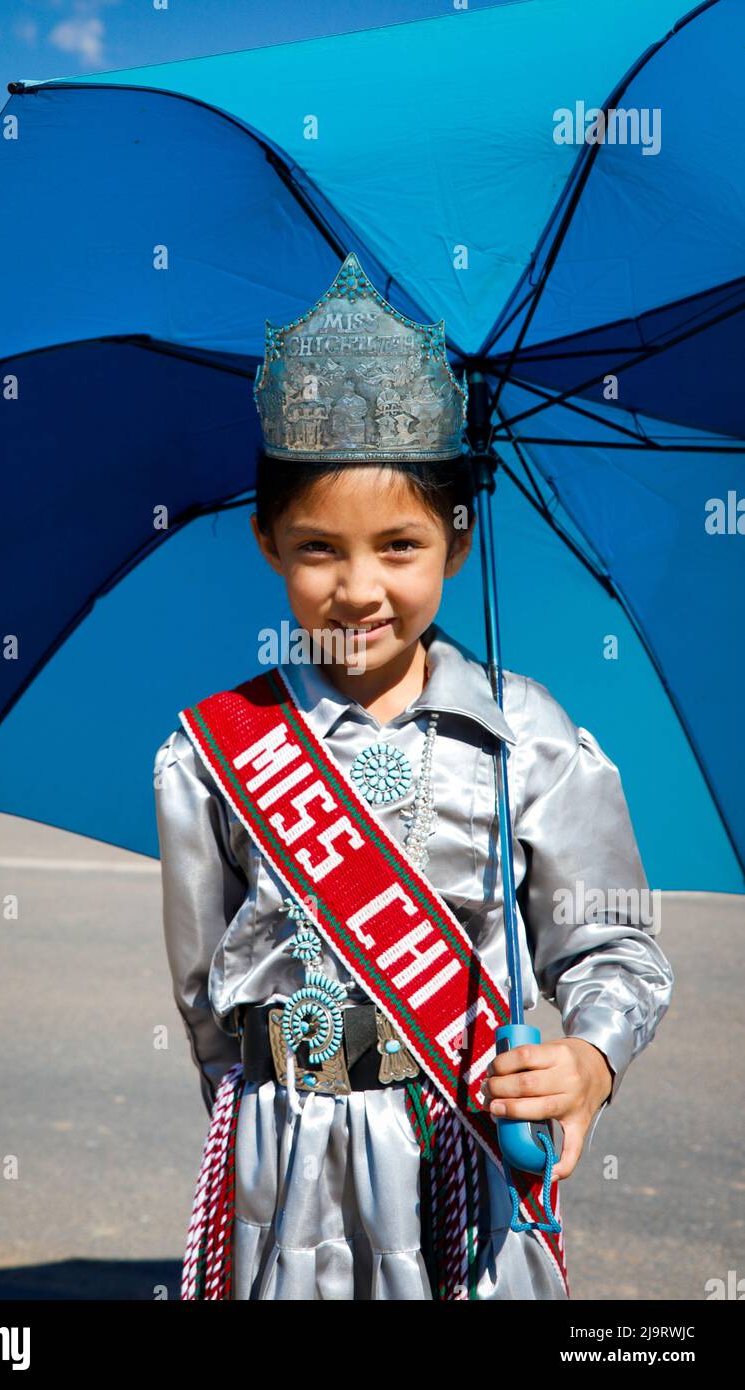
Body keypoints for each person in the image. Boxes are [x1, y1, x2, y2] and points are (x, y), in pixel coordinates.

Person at [153, 252, 673, 1300]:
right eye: (315, 549)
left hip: (460, 1149)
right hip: (285, 1164)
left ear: (455, 537)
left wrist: (587, 1062)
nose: (357, 589)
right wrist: (263, 1114)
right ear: (265, 543)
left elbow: (613, 943)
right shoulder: (213, 749)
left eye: (398, 544)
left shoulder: (523, 732)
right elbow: (206, 997)